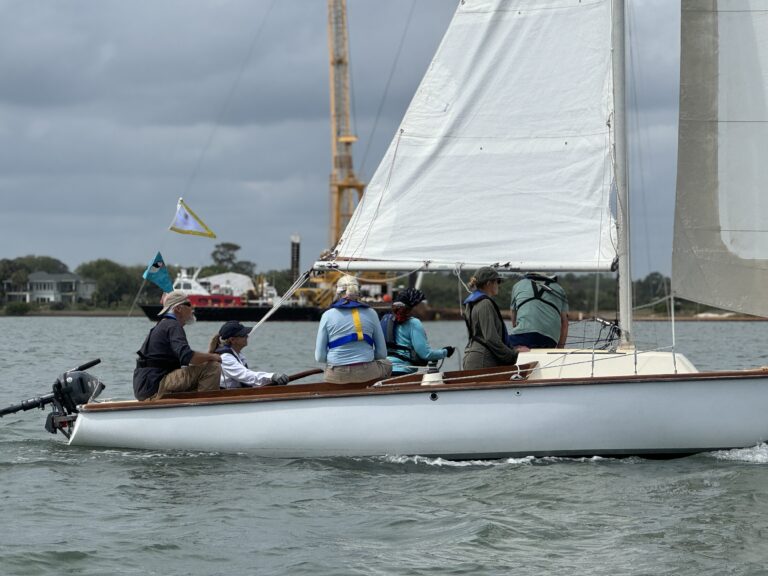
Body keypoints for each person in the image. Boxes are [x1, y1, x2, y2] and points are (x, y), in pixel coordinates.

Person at [133, 290, 222, 401]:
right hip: (155, 385)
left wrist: (207, 355)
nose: (192, 308)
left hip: (146, 385)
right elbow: (188, 357)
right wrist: (213, 357)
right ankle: (205, 408)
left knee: (202, 370)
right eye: (189, 304)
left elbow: (186, 357)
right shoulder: (173, 325)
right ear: (178, 309)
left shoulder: (163, 324)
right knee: (212, 367)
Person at [315, 275, 392, 384]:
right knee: (388, 364)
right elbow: (382, 354)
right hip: (367, 373)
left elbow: (319, 357)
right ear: (358, 292)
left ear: (338, 292)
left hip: (336, 375)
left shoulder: (327, 315)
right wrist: (364, 357)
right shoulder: (371, 313)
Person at [380, 288, 455, 376]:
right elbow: (425, 354)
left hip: (384, 371)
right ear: (411, 307)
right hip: (403, 372)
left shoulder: (384, 320)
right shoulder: (414, 323)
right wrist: (445, 352)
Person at [462, 267, 518, 370]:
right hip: (482, 360)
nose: (498, 285)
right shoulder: (485, 303)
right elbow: (490, 338)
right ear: (488, 283)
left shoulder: (472, 303)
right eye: (497, 281)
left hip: (472, 356)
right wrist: (513, 355)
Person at [209, 320, 290, 388]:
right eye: (243, 335)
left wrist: (271, 379)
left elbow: (249, 379)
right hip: (226, 397)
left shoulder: (238, 355)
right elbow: (246, 376)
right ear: (233, 340)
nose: (247, 336)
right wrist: (272, 376)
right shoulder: (225, 358)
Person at [508, 272, 569, 349]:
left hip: (522, 337)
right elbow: (565, 324)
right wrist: (560, 349)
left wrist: (517, 332)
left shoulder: (518, 286)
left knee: (500, 345)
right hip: (549, 340)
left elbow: (513, 317)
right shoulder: (559, 289)